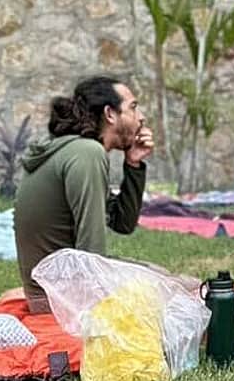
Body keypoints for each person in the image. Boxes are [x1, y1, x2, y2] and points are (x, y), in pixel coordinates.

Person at [13, 76, 154, 314]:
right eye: (132, 107)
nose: (141, 117)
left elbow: (123, 223)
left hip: (54, 294)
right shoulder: (87, 153)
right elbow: (91, 255)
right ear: (110, 114)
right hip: (63, 303)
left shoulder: (76, 150)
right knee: (184, 290)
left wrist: (134, 165)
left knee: (160, 278)